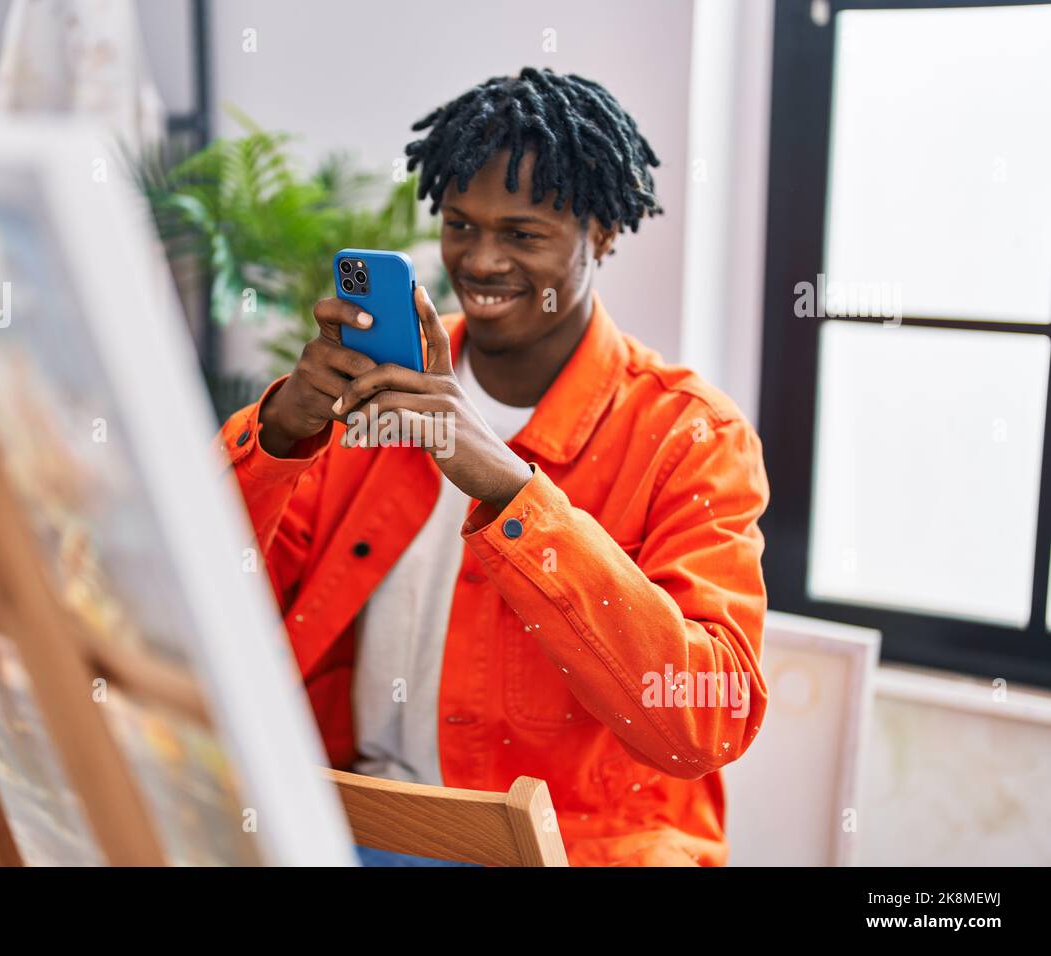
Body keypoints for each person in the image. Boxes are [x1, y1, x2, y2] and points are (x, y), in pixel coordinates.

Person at [217, 67, 769, 866]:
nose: (479, 261)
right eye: (460, 225)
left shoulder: (691, 437)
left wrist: (512, 492)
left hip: (561, 853)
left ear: (603, 233)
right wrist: (279, 435)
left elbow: (705, 721)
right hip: (349, 822)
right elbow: (199, 601)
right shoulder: (376, 386)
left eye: (522, 234)